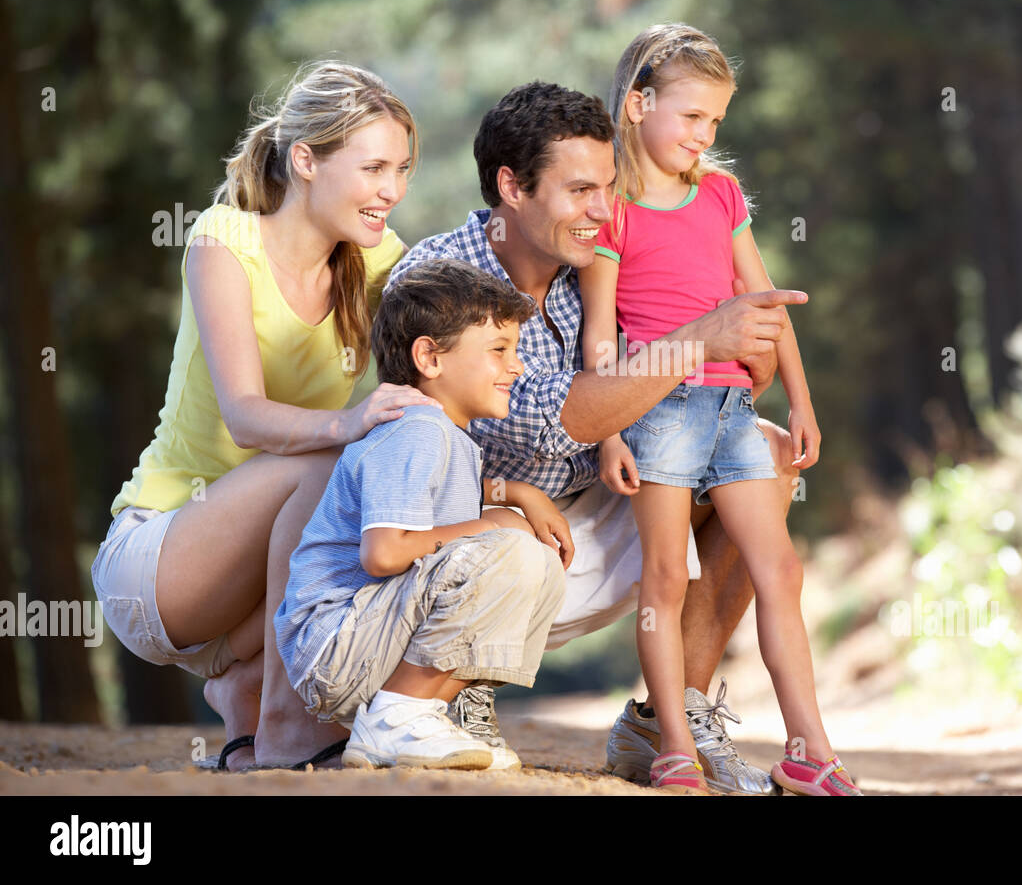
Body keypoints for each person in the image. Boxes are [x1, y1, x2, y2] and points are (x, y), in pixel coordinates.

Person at [387, 80, 809, 794]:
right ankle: (453, 687)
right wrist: (698, 340)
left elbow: (708, 389)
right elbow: (556, 417)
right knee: (513, 531)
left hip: (586, 528)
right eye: (579, 191)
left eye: (609, 187)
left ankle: (670, 717)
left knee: (761, 455)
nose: (602, 211)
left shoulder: (602, 270)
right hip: (468, 557)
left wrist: (746, 357)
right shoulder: (441, 281)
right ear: (511, 186)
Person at [92, 61, 432, 771]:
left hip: (245, 616)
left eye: (401, 170)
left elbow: (455, 335)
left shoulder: (379, 263)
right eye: (373, 168)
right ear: (306, 160)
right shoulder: (225, 241)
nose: (391, 192)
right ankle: (285, 717)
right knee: (335, 459)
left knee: (392, 475)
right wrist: (349, 422)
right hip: (158, 564)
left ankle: (249, 687)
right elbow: (246, 418)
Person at [578, 22, 859, 795]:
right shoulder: (615, 211)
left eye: (715, 123)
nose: (703, 137)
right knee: (665, 579)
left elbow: (767, 306)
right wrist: (607, 434)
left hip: (734, 406)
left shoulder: (723, 195)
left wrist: (800, 401)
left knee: (781, 569)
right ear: (638, 105)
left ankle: (809, 749)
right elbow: (599, 341)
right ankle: (671, 744)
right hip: (656, 411)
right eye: (691, 116)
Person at [274, 260, 566, 771]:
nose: (516, 366)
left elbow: (435, 506)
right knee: (513, 551)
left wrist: (514, 493)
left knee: (537, 563)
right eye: (499, 350)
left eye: (515, 351)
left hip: (368, 638)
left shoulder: (443, 435)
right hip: (337, 643)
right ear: (429, 357)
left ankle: (415, 711)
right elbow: (385, 552)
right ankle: (397, 717)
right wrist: (494, 523)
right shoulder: (417, 430)